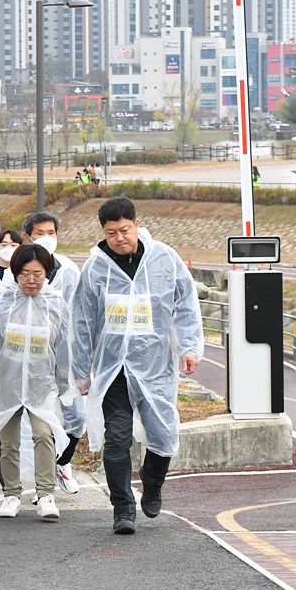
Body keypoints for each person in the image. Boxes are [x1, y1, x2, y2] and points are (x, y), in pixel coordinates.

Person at [71, 197, 203, 535]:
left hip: (156, 364)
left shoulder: (164, 260)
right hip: (114, 366)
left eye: (124, 230)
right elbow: (82, 320)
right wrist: (81, 369)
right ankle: (122, 508)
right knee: (117, 438)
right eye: (111, 232)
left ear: (137, 225)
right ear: (103, 232)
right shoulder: (96, 268)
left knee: (163, 433)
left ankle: (153, 482)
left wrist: (189, 347)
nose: (119, 238)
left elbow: (185, 302)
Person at [0, 244, 72, 520]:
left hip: (41, 382)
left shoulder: (56, 303)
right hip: (6, 381)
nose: (31, 280)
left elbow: (65, 346)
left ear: (47, 272)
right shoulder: (0, 301)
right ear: (14, 273)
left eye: (38, 273)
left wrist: (65, 381)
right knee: (8, 439)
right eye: (24, 274)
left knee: (43, 434)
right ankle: (11, 495)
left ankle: (46, 494)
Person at [22, 212, 84, 495]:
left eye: (51, 232)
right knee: (40, 425)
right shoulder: (19, 273)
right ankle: (40, 485)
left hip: (65, 357)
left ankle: (63, 462)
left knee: (77, 417)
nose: (46, 238)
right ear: (27, 238)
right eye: (39, 233)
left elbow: (80, 313)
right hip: (32, 359)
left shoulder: (70, 271)